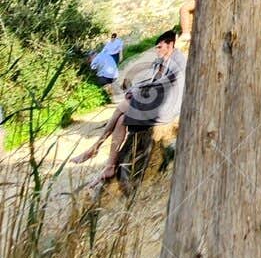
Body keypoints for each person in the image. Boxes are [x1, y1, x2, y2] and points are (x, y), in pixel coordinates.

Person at [74, 29, 186, 187]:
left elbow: (164, 84)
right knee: (121, 120)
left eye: (160, 47)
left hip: (167, 107)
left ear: (170, 45)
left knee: (123, 105)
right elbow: (150, 81)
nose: (157, 50)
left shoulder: (179, 60)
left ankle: (95, 147)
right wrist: (134, 89)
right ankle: (110, 166)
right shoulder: (159, 61)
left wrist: (138, 90)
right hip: (155, 104)